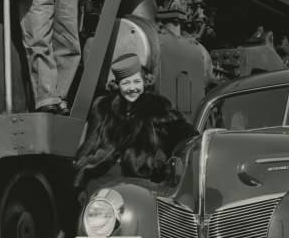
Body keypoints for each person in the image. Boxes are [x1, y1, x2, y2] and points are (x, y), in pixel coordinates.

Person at [72, 53, 199, 196]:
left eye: (136, 82)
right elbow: (90, 145)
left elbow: (188, 137)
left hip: (142, 179)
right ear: (117, 85)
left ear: (144, 82)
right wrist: (83, 170)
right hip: (102, 176)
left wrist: (160, 163)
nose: (132, 88)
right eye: (126, 83)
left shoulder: (159, 107)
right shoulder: (103, 108)